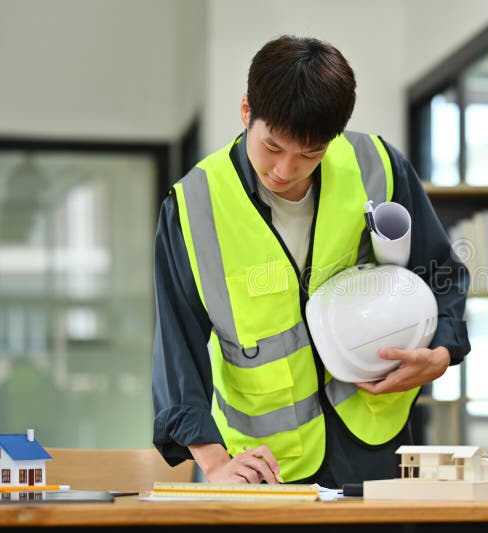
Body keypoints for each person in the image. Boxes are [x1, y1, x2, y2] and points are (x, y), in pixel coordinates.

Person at [151, 35, 470, 487]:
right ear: (246, 111)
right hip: (266, 465)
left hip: (373, 443)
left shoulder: (376, 166)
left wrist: (440, 352)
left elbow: (441, 274)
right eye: (273, 147)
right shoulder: (192, 207)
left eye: (310, 154)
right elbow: (176, 345)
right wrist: (215, 461)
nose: (286, 170)